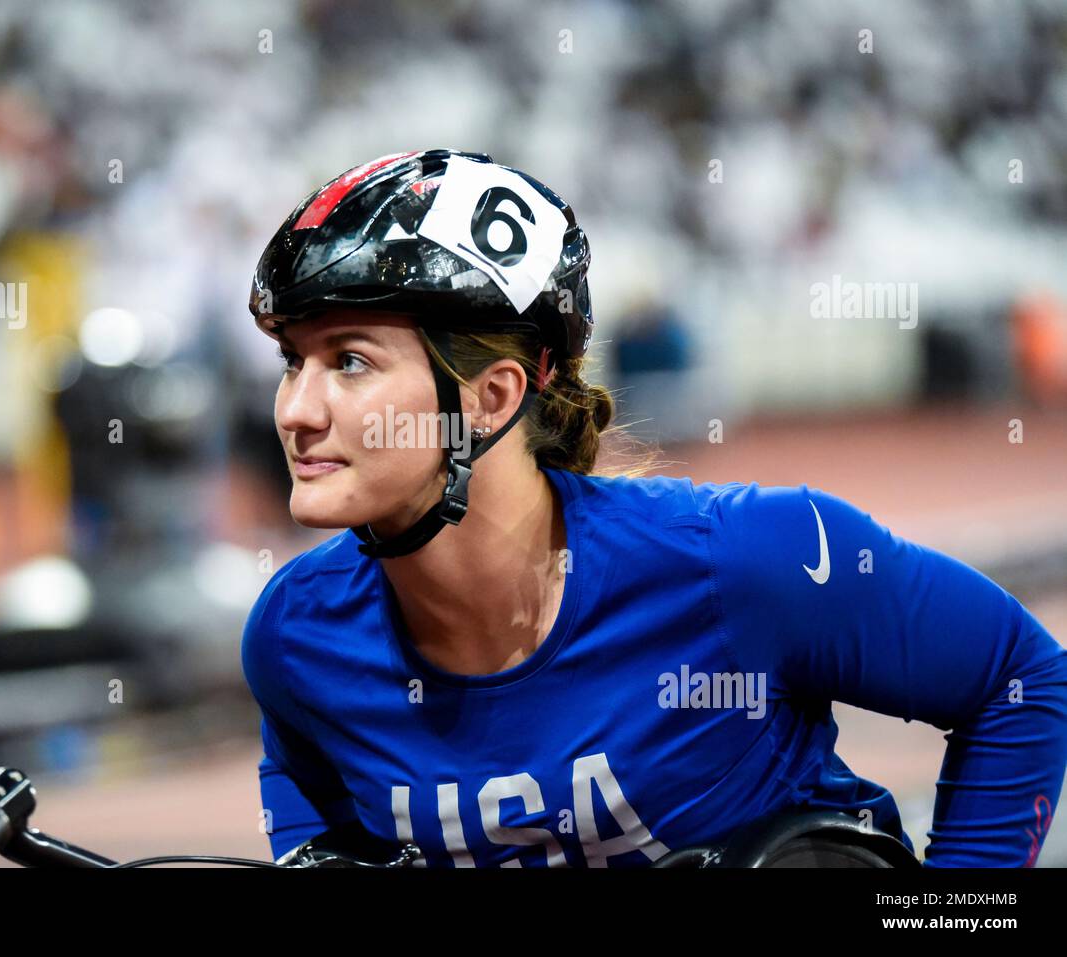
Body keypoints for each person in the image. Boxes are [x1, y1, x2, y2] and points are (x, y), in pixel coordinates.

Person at [240, 148, 1067, 868]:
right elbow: (316, 817)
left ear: (491, 397)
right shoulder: (296, 638)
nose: (296, 410)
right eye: (291, 361)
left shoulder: (741, 562)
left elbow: (1019, 677)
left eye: (349, 361)